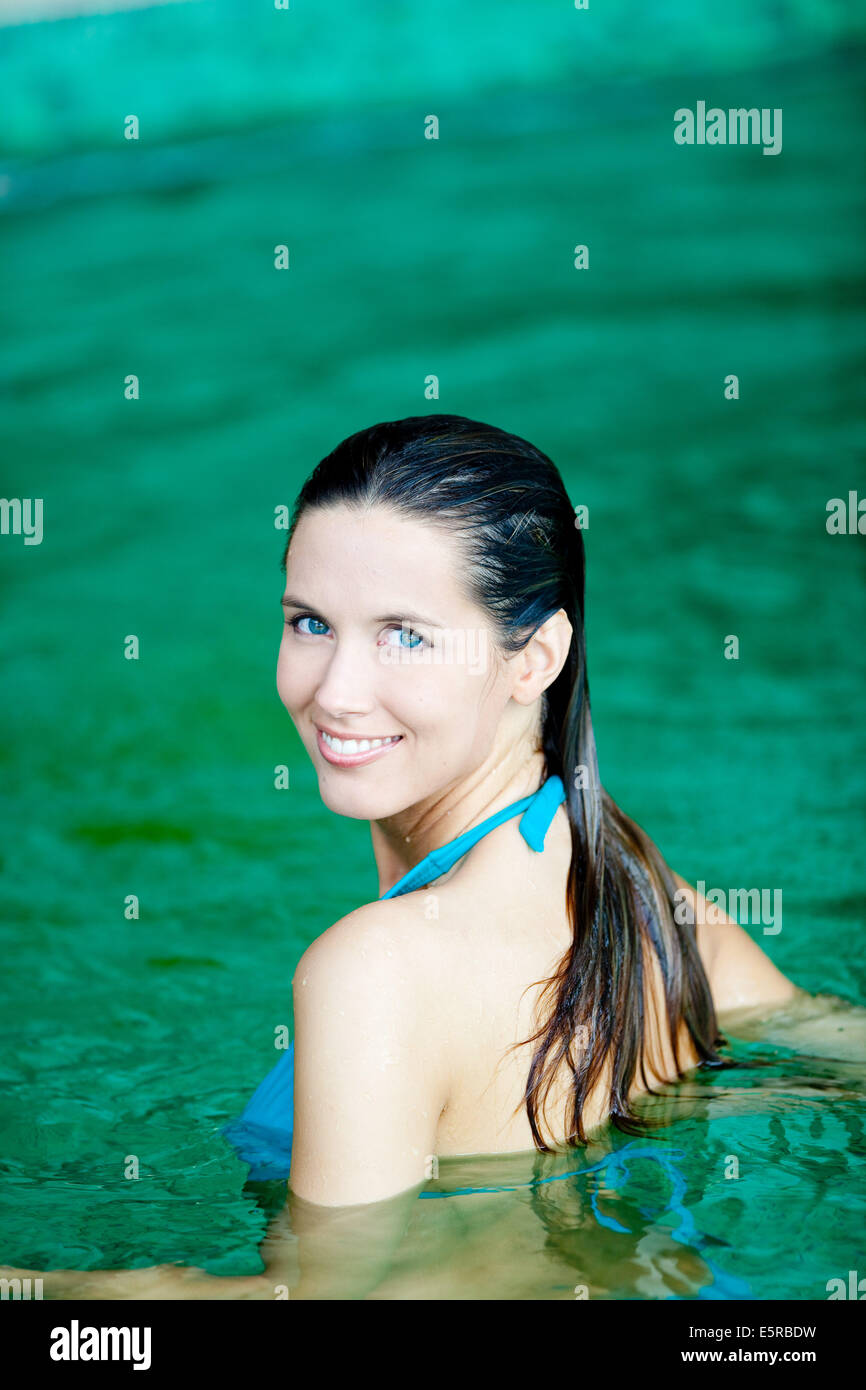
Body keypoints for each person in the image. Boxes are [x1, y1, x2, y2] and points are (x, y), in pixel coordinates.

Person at [9, 413, 858, 1300]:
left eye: (404, 635)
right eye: (310, 623)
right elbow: (817, 1037)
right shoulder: (619, 863)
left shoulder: (373, 971)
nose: (334, 692)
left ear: (535, 657)